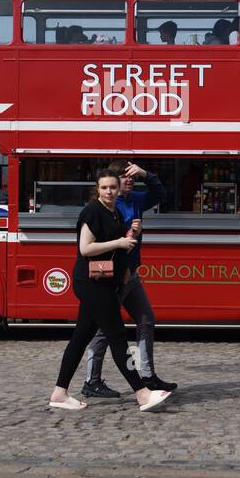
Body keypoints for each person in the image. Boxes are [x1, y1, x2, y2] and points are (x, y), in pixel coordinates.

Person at [49, 168, 172, 412]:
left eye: (112, 187)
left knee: (80, 338)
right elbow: (85, 248)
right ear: (97, 189)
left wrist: (130, 235)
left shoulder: (113, 212)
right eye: (104, 187)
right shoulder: (93, 211)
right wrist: (119, 241)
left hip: (102, 281)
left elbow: (113, 250)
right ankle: (142, 394)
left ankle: (59, 393)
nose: (109, 191)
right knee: (117, 337)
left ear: (119, 188)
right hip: (91, 284)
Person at [81, 161, 177, 399]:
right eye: (125, 177)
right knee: (105, 328)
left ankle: (147, 376)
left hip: (131, 274)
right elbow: (104, 240)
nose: (129, 180)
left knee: (146, 319)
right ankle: (91, 381)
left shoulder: (135, 199)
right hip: (113, 276)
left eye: (132, 177)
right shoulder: (108, 206)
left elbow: (161, 194)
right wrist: (130, 232)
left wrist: (146, 173)